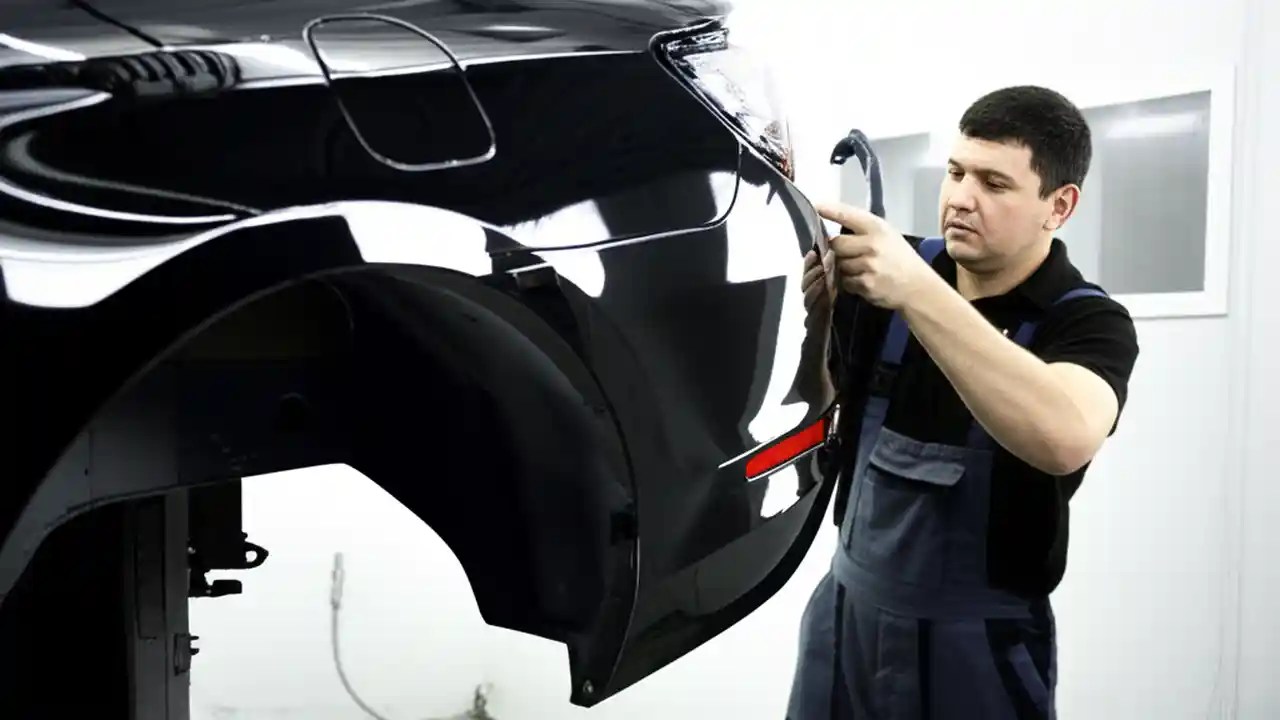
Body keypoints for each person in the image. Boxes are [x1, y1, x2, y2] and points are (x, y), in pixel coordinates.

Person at [787, 85, 1140, 719]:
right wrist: (819, 325)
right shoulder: (891, 272)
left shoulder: (1088, 323)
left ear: (1058, 206)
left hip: (976, 650)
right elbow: (823, 401)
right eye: (955, 172)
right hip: (844, 617)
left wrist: (918, 294)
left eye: (994, 184)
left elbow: (1065, 437)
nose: (959, 199)